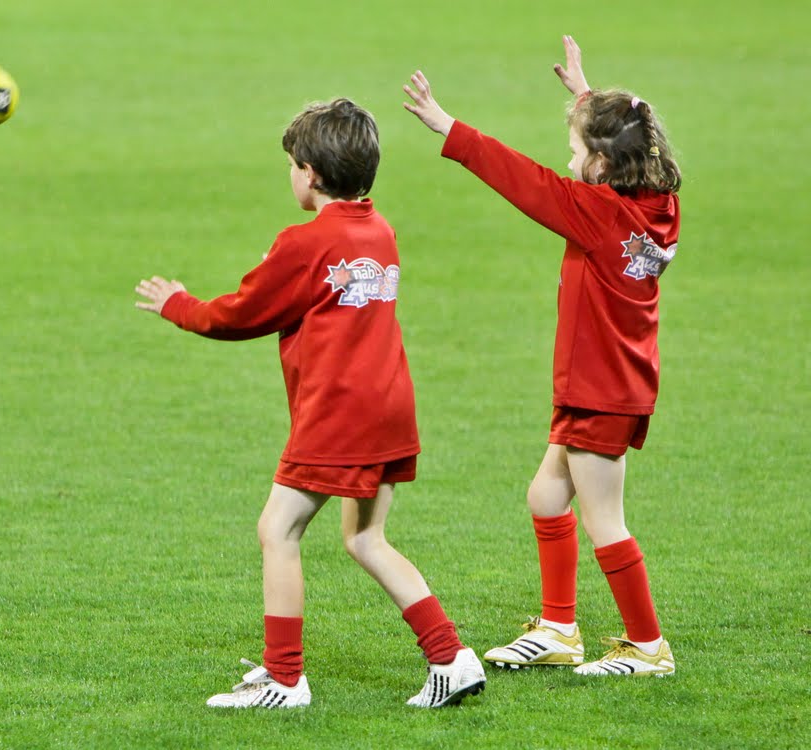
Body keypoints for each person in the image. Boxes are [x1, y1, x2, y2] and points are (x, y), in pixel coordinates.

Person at [135, 98, 486, 709]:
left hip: (339, 414)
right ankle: (451, 659)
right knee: (366, 539)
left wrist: (179, 305)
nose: (291, 174)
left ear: (311, 173)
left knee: (278, 528)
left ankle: (284, 677)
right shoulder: (380, 230)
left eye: (292, 164)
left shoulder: (306, 242)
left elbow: (240, 314)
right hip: (389, 408)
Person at [402, 36, 680, 676]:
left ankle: (648, 646)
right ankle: (559, 628)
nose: (569, 159)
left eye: (578, 151)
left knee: (602, 518)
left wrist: (448, 125)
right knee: (546, 498)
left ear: (603, 169)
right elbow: (623, 140)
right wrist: (585, 95)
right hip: (611, 380)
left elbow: (522, 180)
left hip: (600, 388)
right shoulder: (655, 205)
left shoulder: (597, 215)